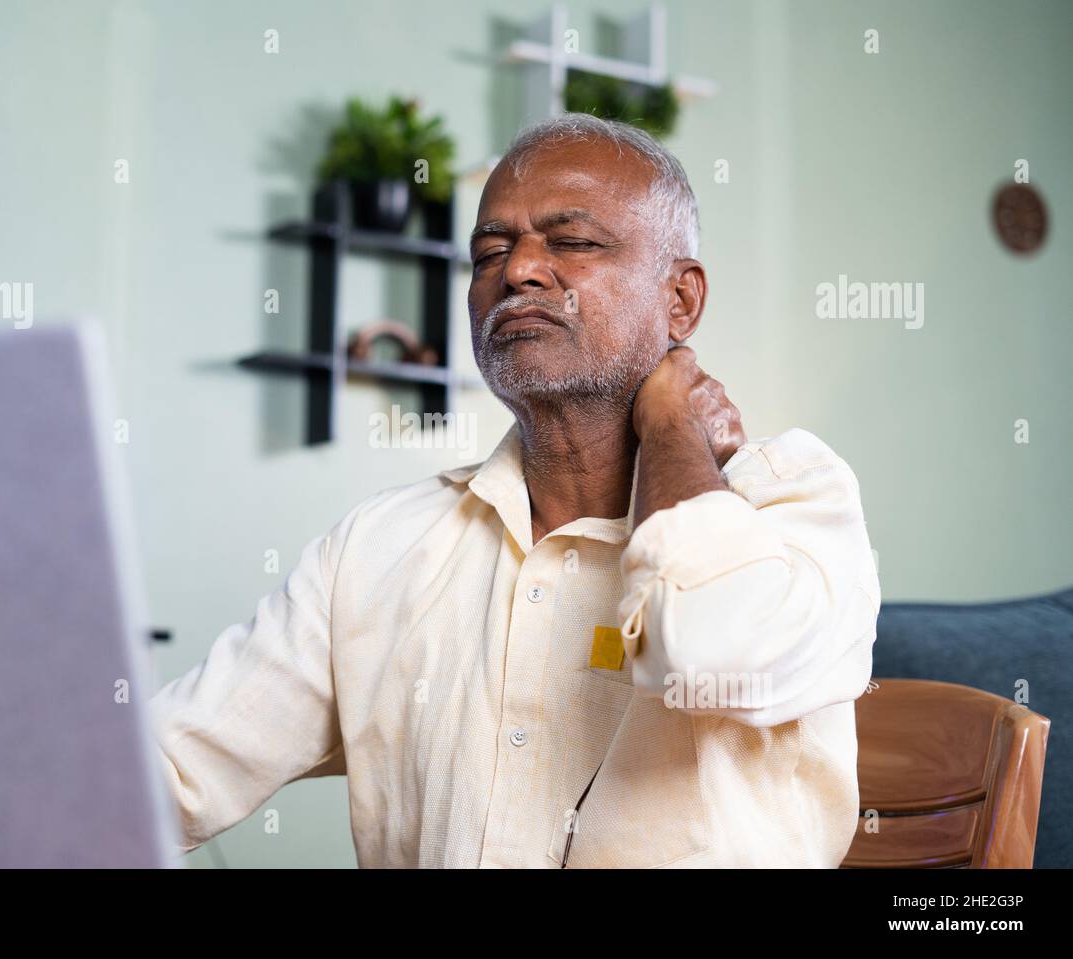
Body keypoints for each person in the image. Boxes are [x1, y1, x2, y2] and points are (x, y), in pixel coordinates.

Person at [150, 113, 881, 868]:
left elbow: (700, 645)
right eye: (490, 252)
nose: (519, 270)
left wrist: (670, 421)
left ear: (680, 301)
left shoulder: (794, 504)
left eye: (573, 242)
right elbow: (170, 771)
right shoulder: (376, 548)